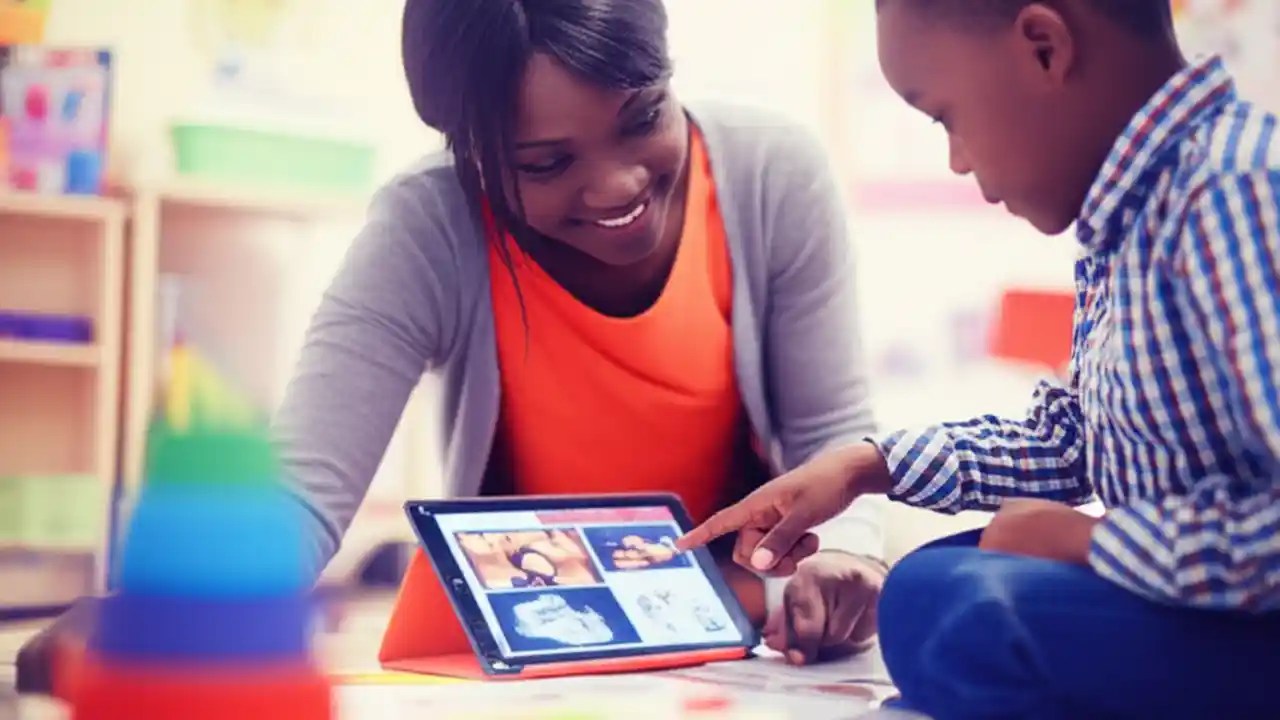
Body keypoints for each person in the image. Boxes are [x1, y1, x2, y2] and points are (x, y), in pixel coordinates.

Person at [678, 0, 1280, 718]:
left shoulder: (1231, 195)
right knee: (930, 580)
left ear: (1044, 50)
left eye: (945, 118)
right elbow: (1079, 441)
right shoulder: (1132, 220)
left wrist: (1096, 544)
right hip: (1202, 602)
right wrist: (869, 466)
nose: (959, 159)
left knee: (960, 607)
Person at [267, 0, 887, 666]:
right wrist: (193, 623)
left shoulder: (774, 175)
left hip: (741, 642)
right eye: (544, 164)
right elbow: (300, 496)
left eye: (644, 116)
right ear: (471, 153)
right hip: (529, 654)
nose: (616, 186)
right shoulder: (427, 227)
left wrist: (846, 554)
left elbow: (832, 433)